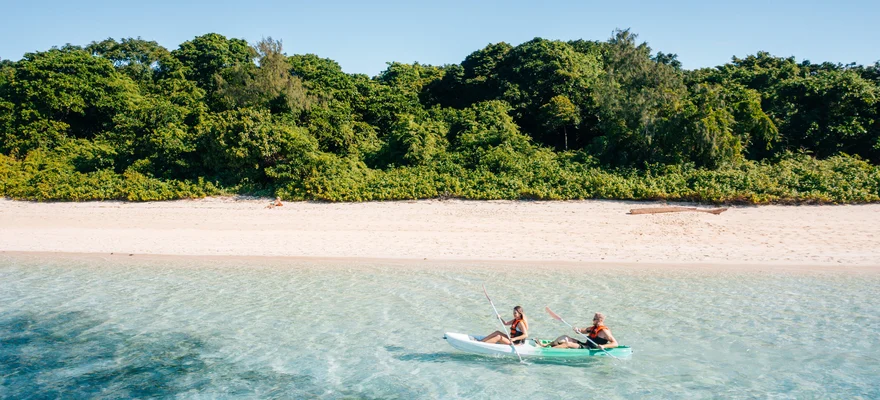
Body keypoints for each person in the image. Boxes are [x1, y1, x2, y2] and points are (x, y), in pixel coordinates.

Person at [536, 312, 618, 350]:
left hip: (589, 348)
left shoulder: (604, 331)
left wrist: (604, 346)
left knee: (568, 344)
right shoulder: (593, 328)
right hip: (586, 345)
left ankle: (547, 351)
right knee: (564, 337)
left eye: (594, 319)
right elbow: (583, 330)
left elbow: (615, 343)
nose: (592, 320)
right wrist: (577, 330)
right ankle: (545, 346)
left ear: (600, 320)